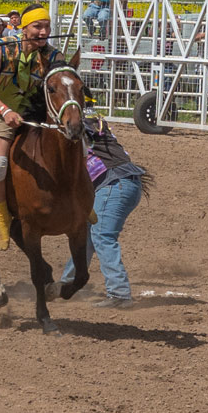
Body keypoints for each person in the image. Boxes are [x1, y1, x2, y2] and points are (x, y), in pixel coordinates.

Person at [0, 3, 60, 250]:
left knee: (78, 145)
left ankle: (83, 202)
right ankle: (3, 216)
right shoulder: (1, 49)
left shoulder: (54, 56)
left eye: (47, 26)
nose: (43, 32)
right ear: (24, 28)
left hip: (36, 115)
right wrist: (5, 111)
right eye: (37, 26)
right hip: (1, 115)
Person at [57, 109, 146, 308]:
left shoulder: (81, 123)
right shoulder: (92, 121)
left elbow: (79, 129)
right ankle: (68, 283)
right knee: (88, 235)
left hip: (114, 184)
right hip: (122, 183)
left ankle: (119, 293)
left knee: (102, 236)